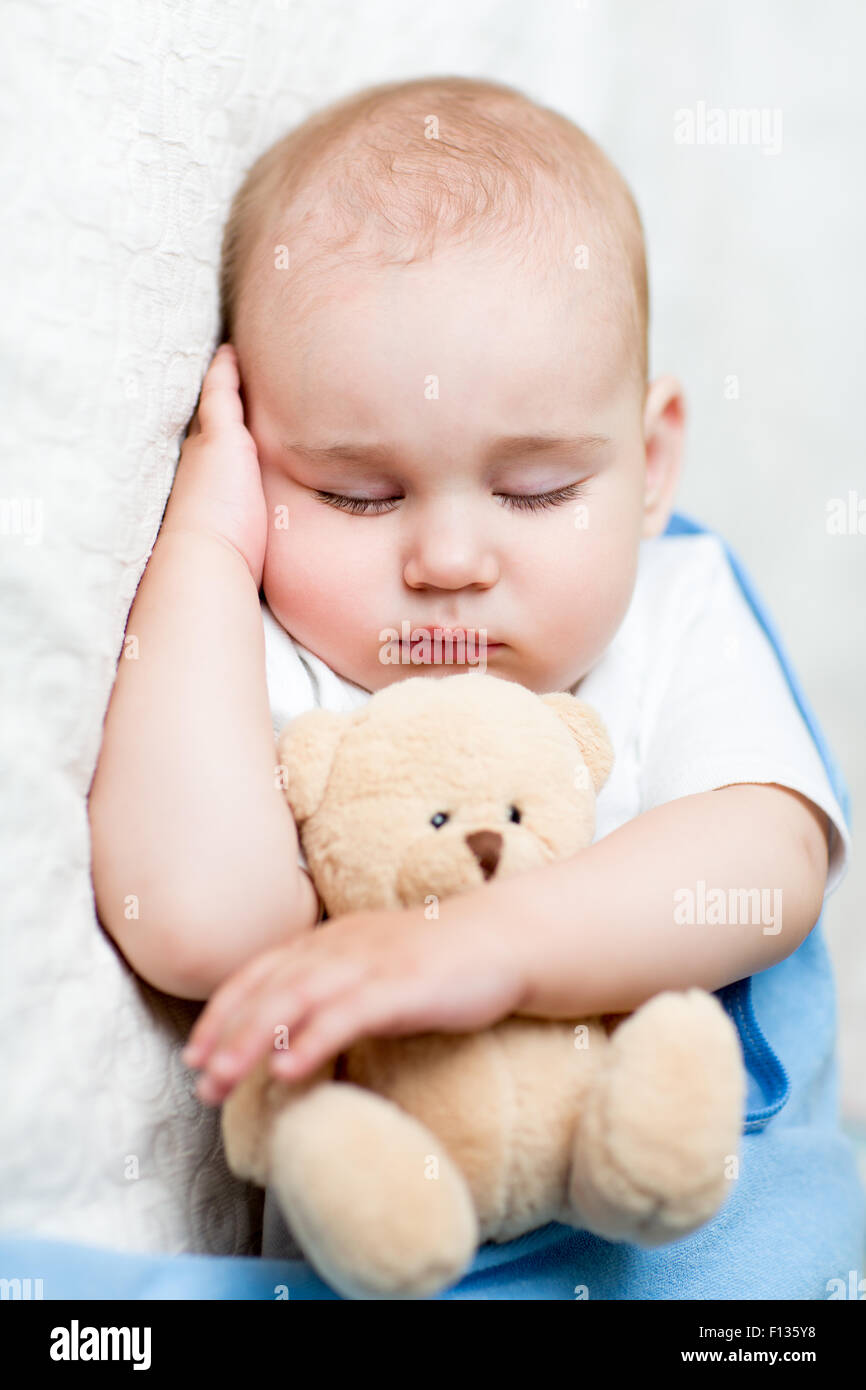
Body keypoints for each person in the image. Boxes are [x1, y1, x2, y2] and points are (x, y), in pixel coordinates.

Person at [89, 75, 865, 1298]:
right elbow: (193, 921)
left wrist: (499, 945)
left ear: (649, 464)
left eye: (538, 488)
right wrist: (205, 552)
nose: (447, 563)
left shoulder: (675, 603)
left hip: (716, 1240)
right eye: (355, 494)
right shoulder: (282, 654)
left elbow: (766, 865)